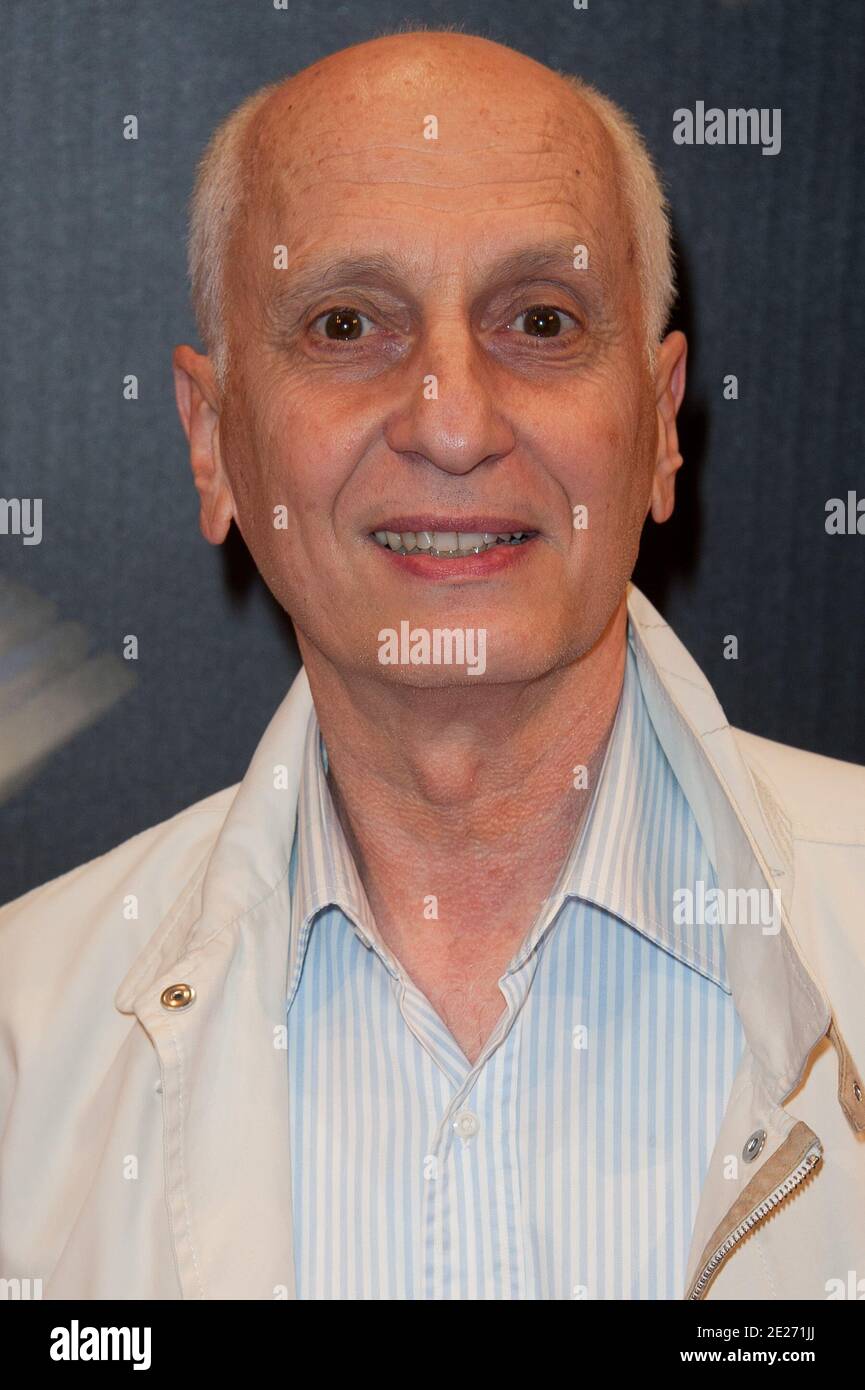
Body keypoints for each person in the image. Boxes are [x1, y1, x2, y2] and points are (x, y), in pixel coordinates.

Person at [1, 30, 863, 1302]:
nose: (453, 423)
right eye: (347, 323)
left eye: (541, 320)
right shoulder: (24, 1042)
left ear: (659, 426)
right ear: (213, 440)